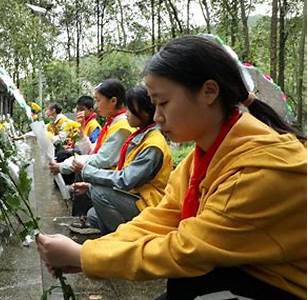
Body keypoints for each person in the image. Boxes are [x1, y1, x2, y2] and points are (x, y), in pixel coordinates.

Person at [37, 35, 306, 300]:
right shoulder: (203, 156)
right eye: (154, 105)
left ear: (209, 92)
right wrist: (91, 253)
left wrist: (85, 256)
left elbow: (186, 251)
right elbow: (162, 217)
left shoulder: (260, 170)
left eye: (163, 103)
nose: (157, 116)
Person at [70, 86, 172, 235]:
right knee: (93, 214)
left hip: (148, 203)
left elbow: (125, 180)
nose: (127, 114)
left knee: (99, 193)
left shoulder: (153, 145)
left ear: (145, 111)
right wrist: (88, 185)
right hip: (136, 195)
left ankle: (123, 238)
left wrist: (87, 172)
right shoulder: (141, 135)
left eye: (130, 110)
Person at [49, 79, 134, 176]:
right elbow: (92, 150)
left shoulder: (122, 127)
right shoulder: (110, 123)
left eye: (98, 100)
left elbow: (101, 159)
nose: (96, 106)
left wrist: (63, 166)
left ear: (113, 101)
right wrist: (81, 131)